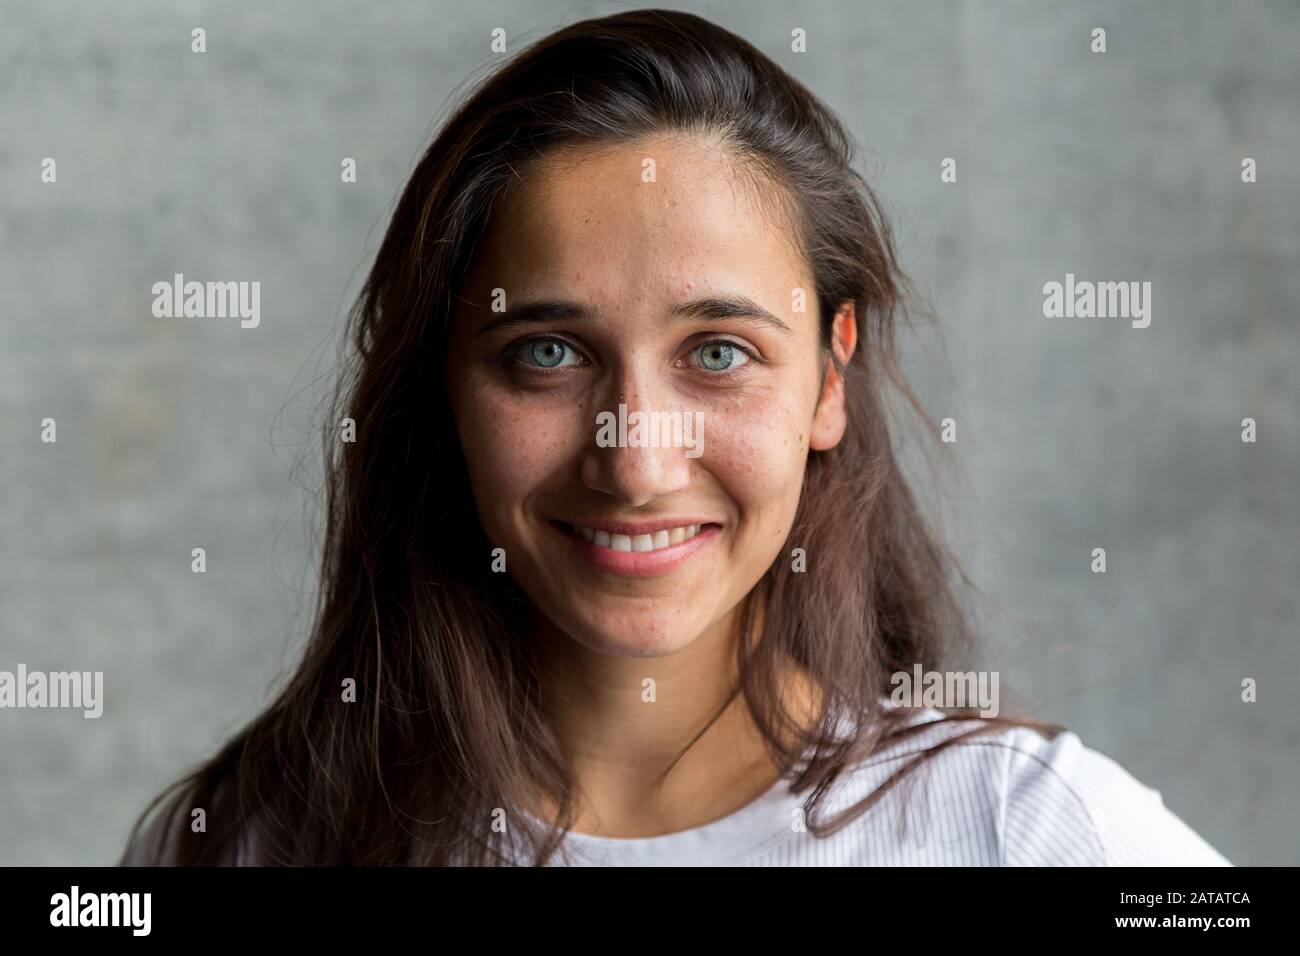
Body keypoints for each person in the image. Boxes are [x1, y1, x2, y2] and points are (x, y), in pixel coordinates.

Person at [121, 8, 1229, 867]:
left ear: (828, 377)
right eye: (546, 352)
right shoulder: (258, 840)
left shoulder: (1019, 828)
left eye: (718, 353)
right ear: (441, 388)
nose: (637, 461)